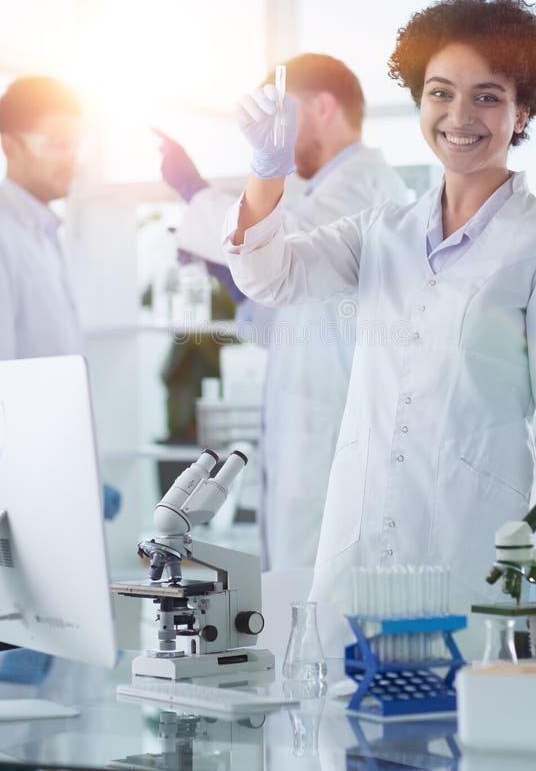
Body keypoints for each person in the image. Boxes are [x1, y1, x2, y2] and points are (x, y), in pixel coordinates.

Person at [222, 0, 536, 658]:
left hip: (475, 552)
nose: (460, 117)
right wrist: (267, 174)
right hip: (358, 551)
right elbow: (269, 275)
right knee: (344, 731)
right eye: (440, 92)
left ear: (525, 110)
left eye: (487, 97)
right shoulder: (383, 232)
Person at [157, 54, 410, 569]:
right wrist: (234, 276)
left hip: (336, 442)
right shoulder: (327, 190)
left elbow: (290, 240)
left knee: (325, 611)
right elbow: (296, 310)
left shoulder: (363, 182)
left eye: (280, 116)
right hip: (312, 435)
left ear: (321, 106)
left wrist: (194, 193)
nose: (271, 135)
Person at [0, 76, 121, 524]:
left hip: (58, 474)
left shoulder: (43, 234)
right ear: (11, 146)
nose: (71, 157)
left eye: (76, 143)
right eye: (56, 143)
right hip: (20, 487)